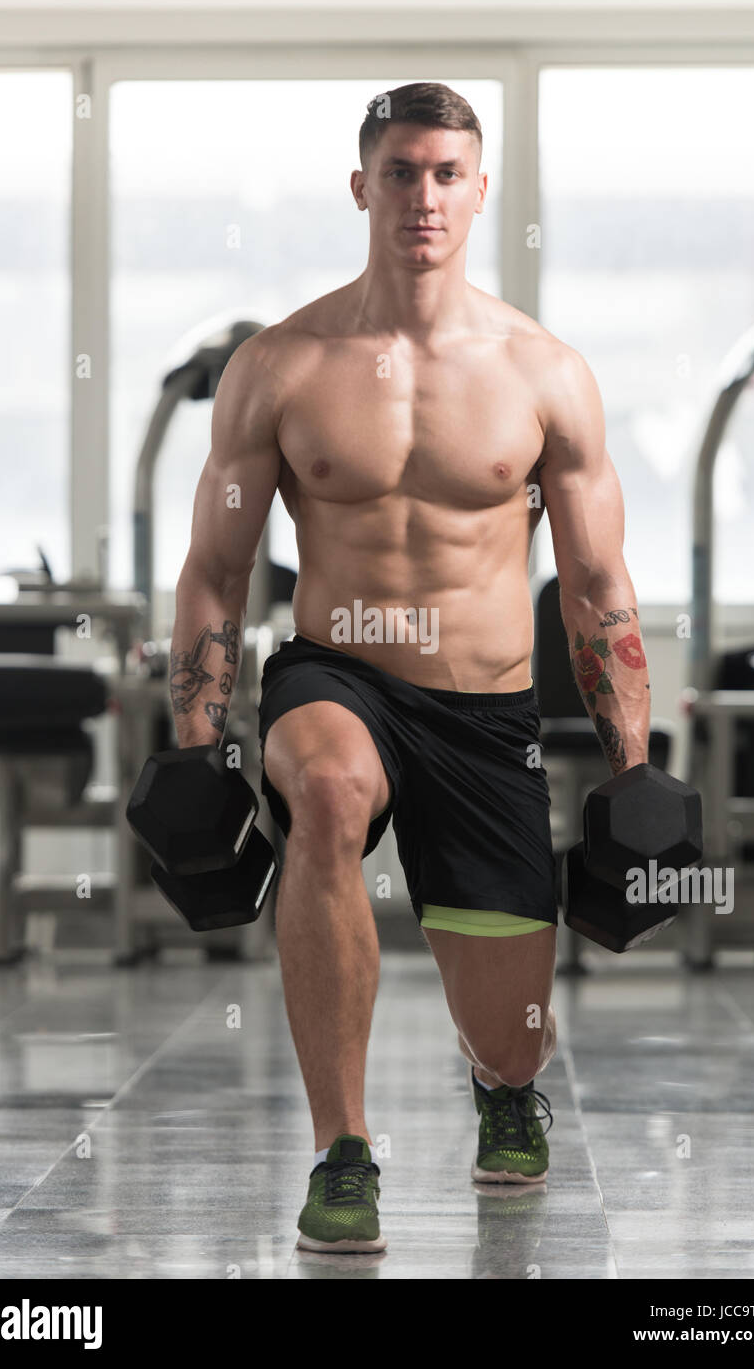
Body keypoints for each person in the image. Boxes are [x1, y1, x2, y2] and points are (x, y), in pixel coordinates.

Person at [169, 82, 650, 1254]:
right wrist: (194, 751)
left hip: (484, 709)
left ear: (479, 192)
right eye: (400, 172)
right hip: (338, 675)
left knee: (510, 1034)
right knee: (325, 795)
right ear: (361, 187)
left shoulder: (546, 374)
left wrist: (637, 768)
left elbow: (594, 588)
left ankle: (501, 1092)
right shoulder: (280, 366)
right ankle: (344, 1152)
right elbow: (215, 573)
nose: (422, 196)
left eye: (446, 174)